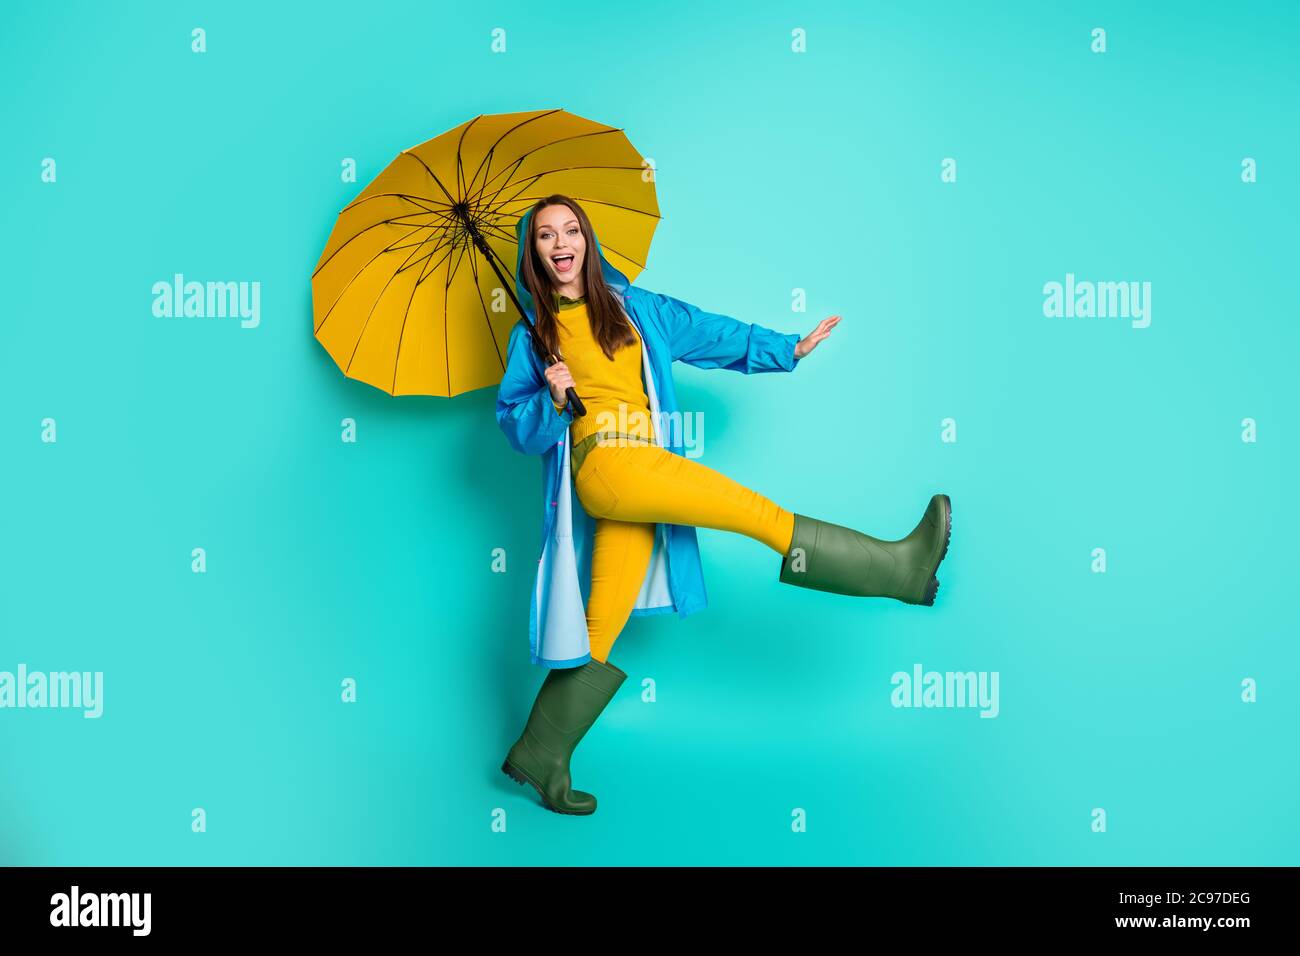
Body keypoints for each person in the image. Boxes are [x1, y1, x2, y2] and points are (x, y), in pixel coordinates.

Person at [496, 194, 952, 815]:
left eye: (570, 230)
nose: (560, 244)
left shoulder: (636, 310)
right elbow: (515, 428)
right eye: (546, 236)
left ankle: (539, 754)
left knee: (601, 624)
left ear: (587, 238)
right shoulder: (534, 337)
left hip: (643, 470)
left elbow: (707, 332)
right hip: (606, 465)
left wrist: (784, 349)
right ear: (534, 254)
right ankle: (900, 570)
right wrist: (550, 397)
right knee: (757, 514)